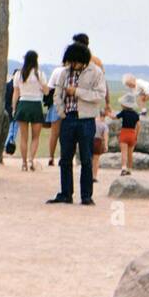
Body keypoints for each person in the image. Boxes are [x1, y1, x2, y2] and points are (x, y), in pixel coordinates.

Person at [45, 42, 107, 206]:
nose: (72, 65)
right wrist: (61, 112)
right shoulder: (64, 73)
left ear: (83, 60)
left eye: (75, 62)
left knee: (86, 158)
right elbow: (57, 94)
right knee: (65, 158)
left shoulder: (96, 72)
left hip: (86, 119)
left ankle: (86, 196)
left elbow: (99, 95)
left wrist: (77, 92)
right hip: (68, 118)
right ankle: (66, 193)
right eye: (70, 62)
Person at [10, 50, 50, 172]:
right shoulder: (40, 74)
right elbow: (46, 91)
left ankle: (23, 163)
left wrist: (14, 107)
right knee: (35, 137)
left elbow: (16, 92)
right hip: (36, 104)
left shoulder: (19, 74)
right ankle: (31, 159)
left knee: (23, 137)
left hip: (23, 104)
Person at [115, 93, 140, 176]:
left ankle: (123, 168)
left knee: (124, 153)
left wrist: (108, 113)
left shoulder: (123, 112)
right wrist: (136, 135)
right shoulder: (136, 114)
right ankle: (129, 169)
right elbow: (138, 125)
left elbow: (114, 117)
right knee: (130, 154)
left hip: (124, 133)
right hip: (132, 134)